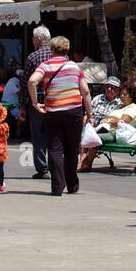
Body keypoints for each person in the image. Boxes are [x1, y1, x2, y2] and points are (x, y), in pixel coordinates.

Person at [28, 36, 92, 196]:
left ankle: (57, 186)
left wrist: (35, 103)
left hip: (53, 112)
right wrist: (90, 113)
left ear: (52, 50)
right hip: (74, 111)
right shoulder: (74, 67)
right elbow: (85, 92)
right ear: (67, 50)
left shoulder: (46, 65)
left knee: (54, 148)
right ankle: (72, 184)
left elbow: (32, 81)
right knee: (72, 149)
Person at [79, 81, 136, 171]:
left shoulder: (132, 107)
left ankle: (87, 164)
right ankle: (82, 163)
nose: (122, 96)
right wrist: (105, 120)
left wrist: (108, 121)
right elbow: (108, 117)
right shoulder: (119, 106)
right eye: (121, 94)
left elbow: (122, 121)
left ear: (131, 96)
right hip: (106, 129)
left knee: (93, 138)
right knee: (86, 135)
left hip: (117, 133)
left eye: (125, 94)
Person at [24, 27, 53, 179]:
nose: (32, 41)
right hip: (56, 101)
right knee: (55, 135)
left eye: (33, 38)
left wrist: (23, 104)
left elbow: (26, 84)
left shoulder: (32, 57)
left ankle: (42, 168)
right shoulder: (59, 56)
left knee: (38, 135)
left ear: (39, 39)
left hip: (38, 102)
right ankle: (56, 165)